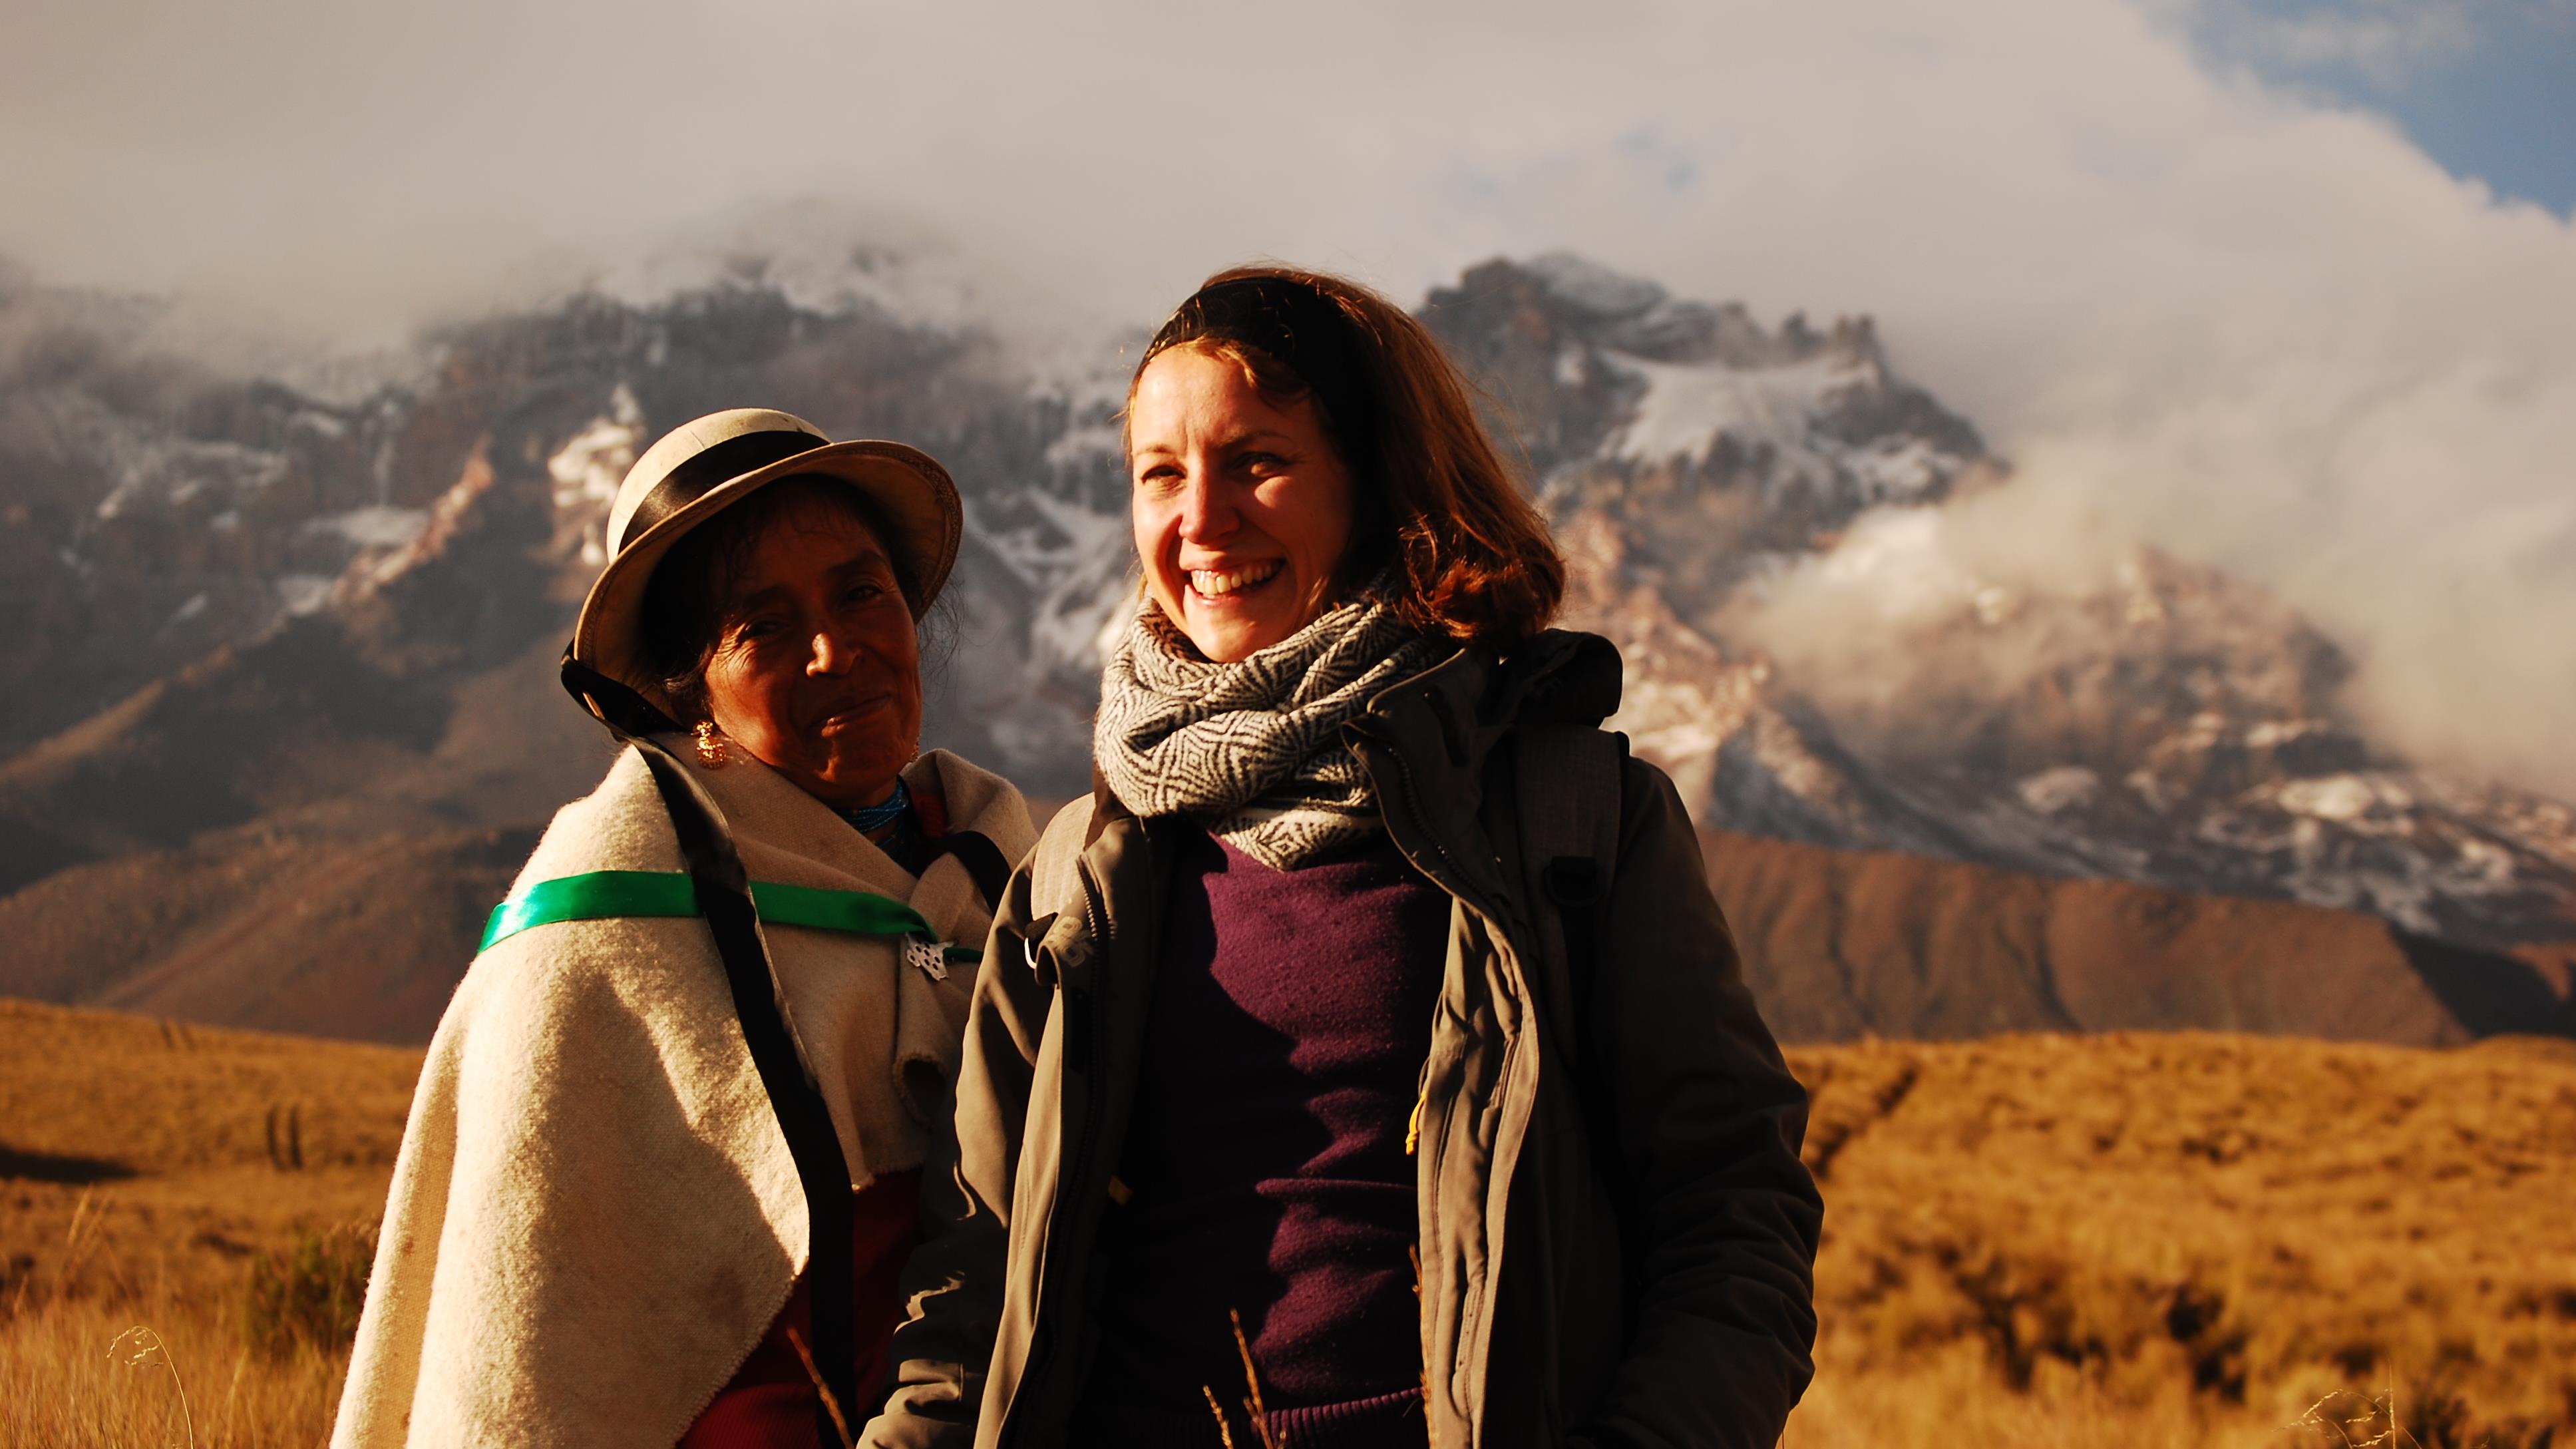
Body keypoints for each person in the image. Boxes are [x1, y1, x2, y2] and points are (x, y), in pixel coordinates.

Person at [863, 269, 1823, 1449]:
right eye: (1160, 473)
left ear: (1380, 485)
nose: (1201, 522)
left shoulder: (1578, 827)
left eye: (1257, 461)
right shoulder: (1077, 875)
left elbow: (1735, 1217)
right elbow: (973, 1281)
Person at [335, 409, 1037, 1448]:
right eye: (763, 626)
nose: (836, 649)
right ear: (687, 690)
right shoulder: (595, 940)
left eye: (860, 592)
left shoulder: (1003, 868)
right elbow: (529, 1361)